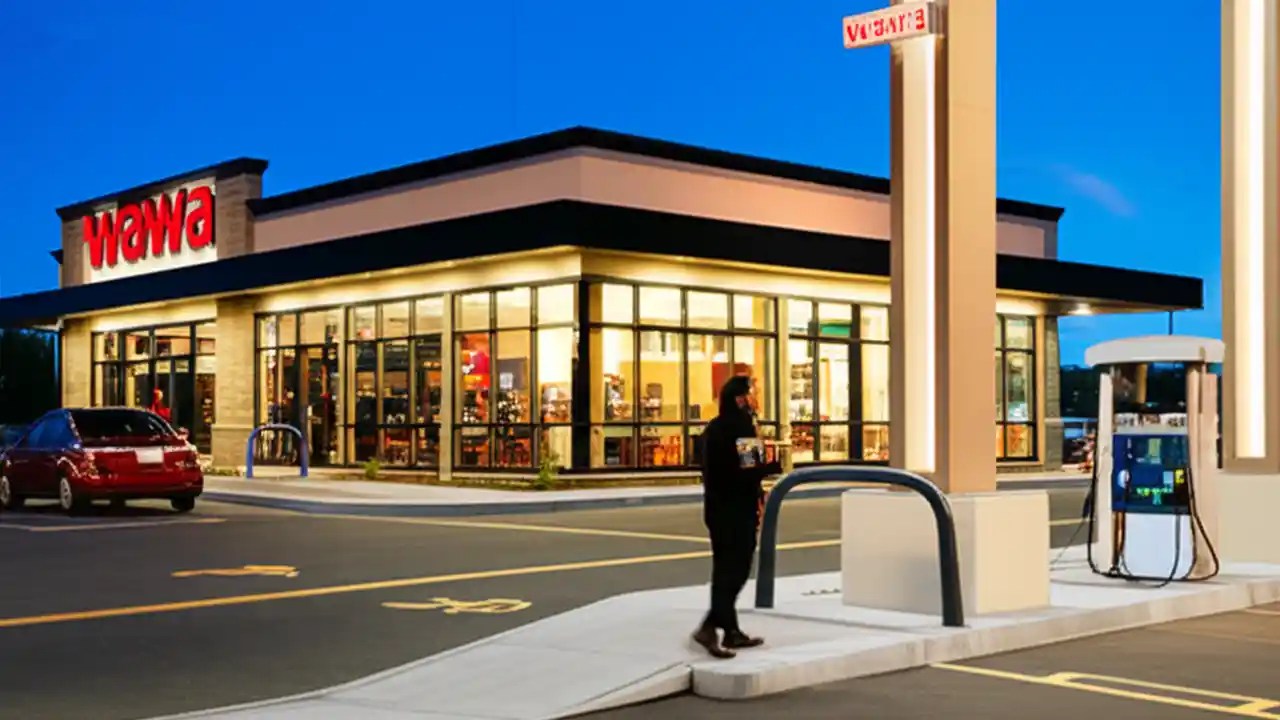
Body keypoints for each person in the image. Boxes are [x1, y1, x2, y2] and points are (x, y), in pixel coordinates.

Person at [691, 374, 782, 659]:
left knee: (723, 570)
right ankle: (709, 628)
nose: (755, 400)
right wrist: (773, 467)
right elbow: (748, 470)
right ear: (740, 399)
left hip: (716, 509)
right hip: (737, 510)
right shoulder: (743, 428)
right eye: (751, 394)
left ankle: (730, 631)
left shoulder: (713, 429)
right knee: (737, 570)